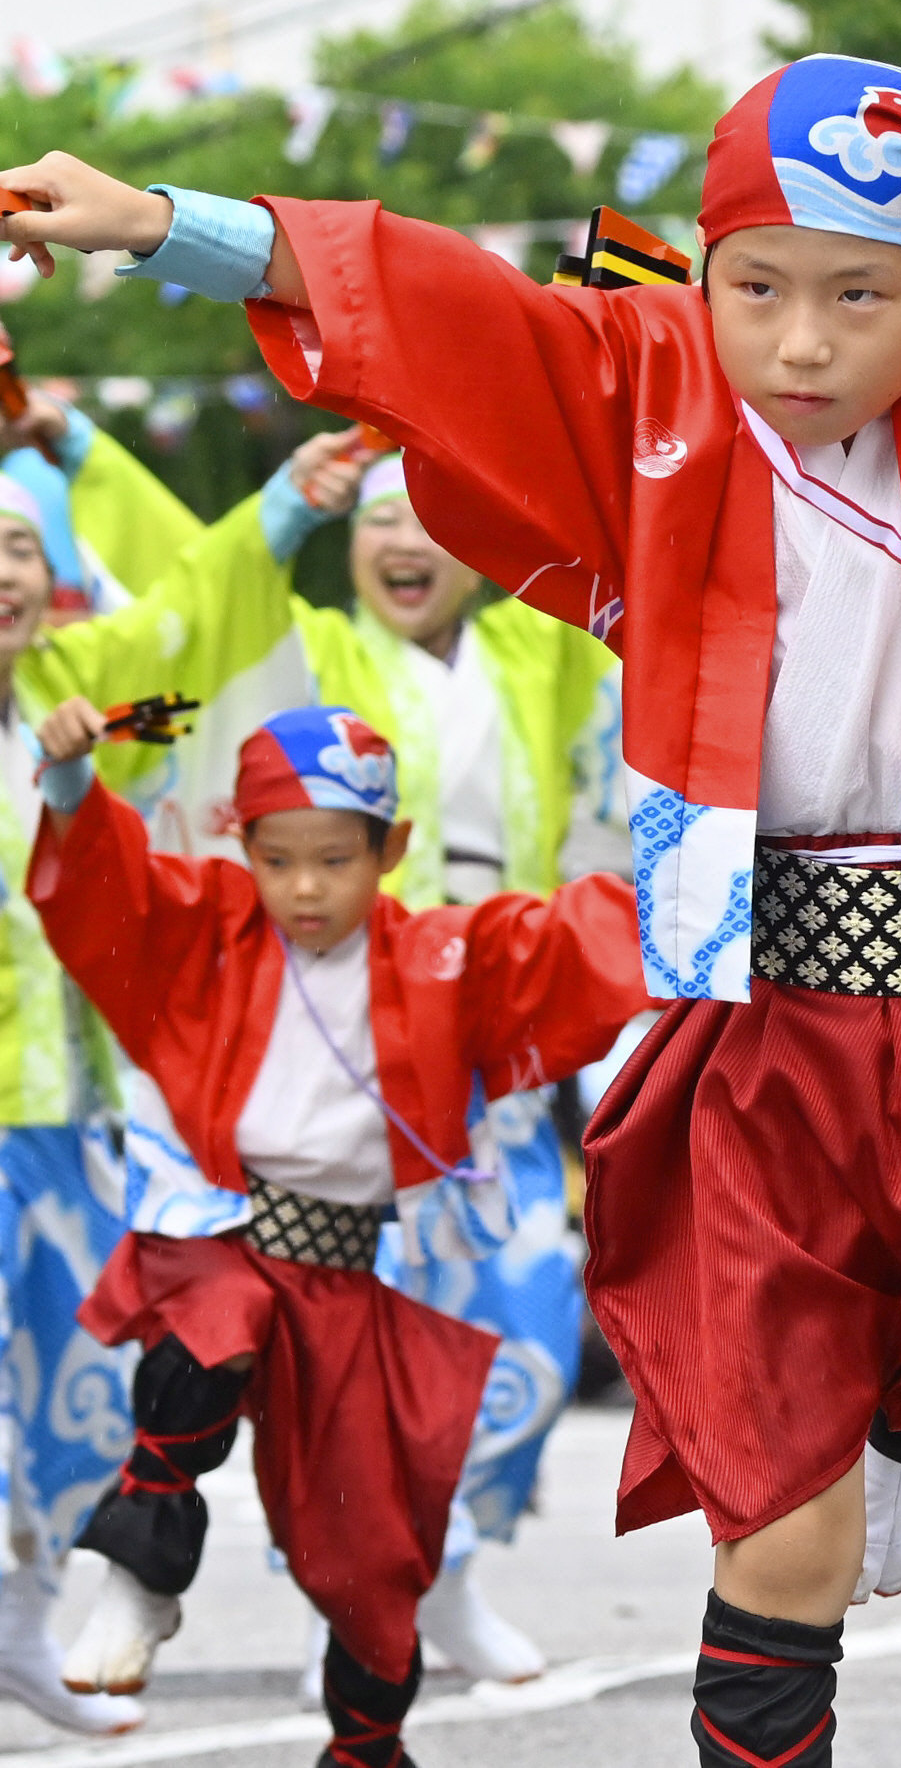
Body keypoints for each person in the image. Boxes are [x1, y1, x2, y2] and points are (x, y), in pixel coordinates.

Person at [0, 0, 901, 1768]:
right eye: (761, 287)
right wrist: (159, 218)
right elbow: (422, 297)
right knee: (788, 1537)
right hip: (769, 1029)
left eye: (861, 297)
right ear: (708, 269)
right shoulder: (648, 376)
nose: (804, 343)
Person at [0, 308, 358, 1763]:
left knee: (77, 1391)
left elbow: (189, 608)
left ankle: (13, 1627)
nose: (0, 573)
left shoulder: (73, 698)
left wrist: (285, 507)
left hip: (71, 1109)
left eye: (21, 553)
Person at [25, 702, 648, 1768]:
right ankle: (142, 1574)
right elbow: (107, 893)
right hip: (222, 1235)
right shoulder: (213, 926)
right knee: (213, 1329)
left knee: (367, 1548)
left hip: (347, 1272)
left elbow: (571, 942)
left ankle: (367, 1746)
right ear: (242, 846)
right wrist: (75, 786)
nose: (304, 888)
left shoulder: (446, 954)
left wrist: (713, 863)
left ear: (392, 849)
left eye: (333, 859)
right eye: (276, 858)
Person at [286, 452, 616, 1685]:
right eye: (380, 520)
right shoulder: (312, 646)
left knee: (529, 1316)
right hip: (357, 1049)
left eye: (430, 519)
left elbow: (613, 561)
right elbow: (203, 598)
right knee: (370, 1341)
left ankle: (455, 1562)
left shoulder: (537, 651)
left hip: (507, 1043)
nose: (405, 543)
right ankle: (368, 1591)